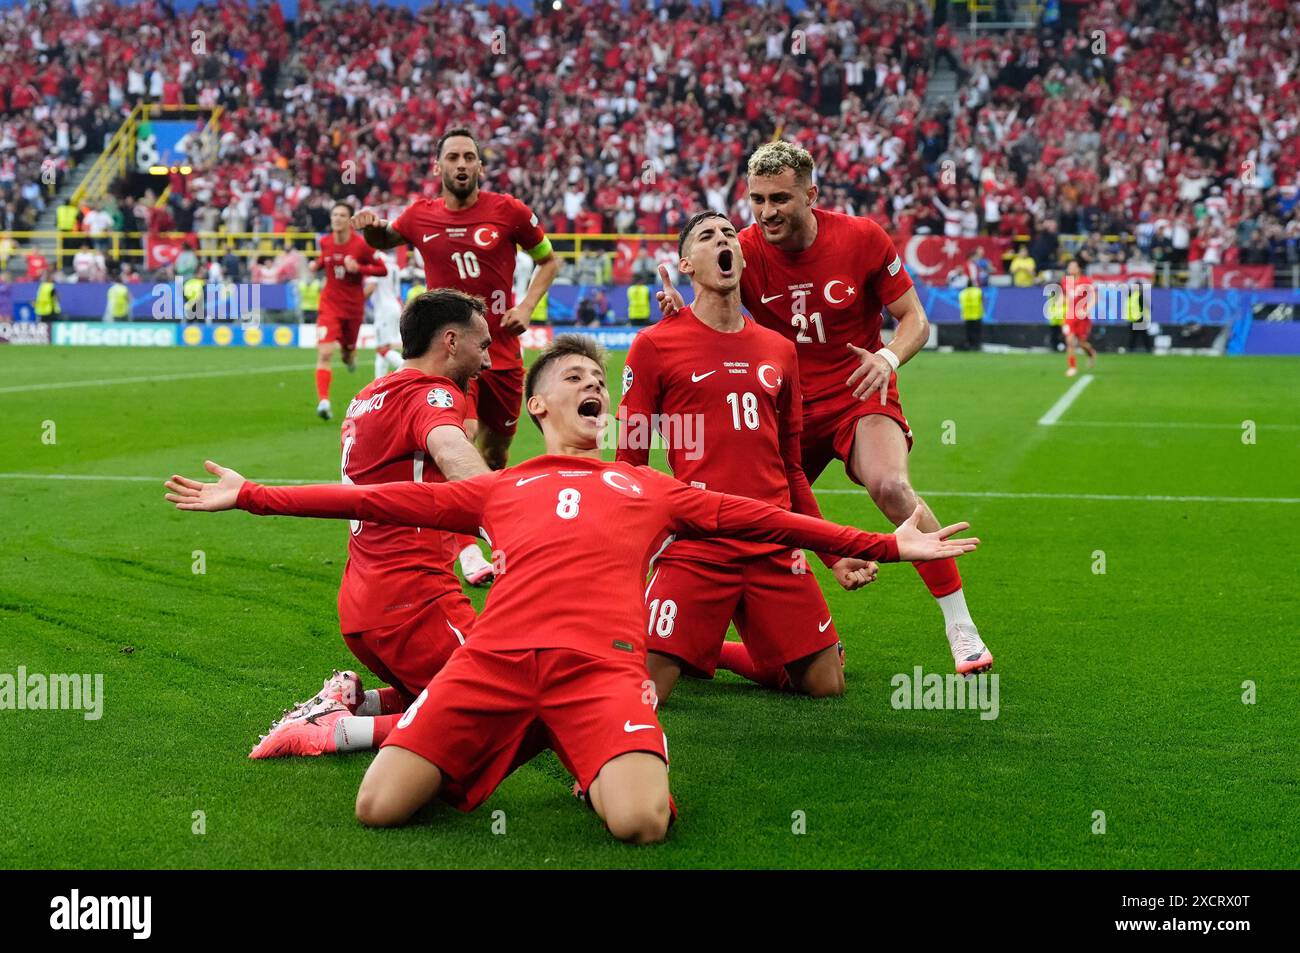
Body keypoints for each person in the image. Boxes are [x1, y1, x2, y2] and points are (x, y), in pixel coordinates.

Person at [165, 334, 979, 842]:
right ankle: (536, 736)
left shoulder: (647, 488)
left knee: (643, 821)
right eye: (581, 377)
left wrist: (886, 543)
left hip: (601, 670)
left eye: (604, 378)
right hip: (492, 663)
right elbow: (372, 497)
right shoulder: (498, 487)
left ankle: (582, 745)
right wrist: (253, 494)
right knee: (377, 807)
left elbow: (764, 519)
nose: (599, 387)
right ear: (543, 405)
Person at [659, 141, 993, 675]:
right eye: (758, 199)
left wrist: (887, 357)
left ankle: (960, 626)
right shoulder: (741, 248)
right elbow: (712, 300)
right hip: (782, 402)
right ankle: (679, 634)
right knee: (736, 520)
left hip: (858, 390)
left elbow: (915, 319)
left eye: (781, 199)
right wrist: (680, 310)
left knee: (890, 486)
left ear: (811, 195)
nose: (767, 212)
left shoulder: (861, 238)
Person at [620, 211, 876, 702]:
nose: (722, 241)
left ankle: (708, 649)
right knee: (643, 690)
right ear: (686, 265)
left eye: (728, 236)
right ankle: (683, 643)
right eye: (707, 236)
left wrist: (833, 556)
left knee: (826, 685)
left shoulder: (779, 349)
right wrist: (630, 555)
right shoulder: (654, 345)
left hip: (771, 539)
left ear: (740, 257)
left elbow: (792, 467)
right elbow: (629, 464)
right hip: (697, 542)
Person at [250, 289, 494, 759]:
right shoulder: (433, 393)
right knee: (497, 708)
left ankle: (354, 704)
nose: (487, 358)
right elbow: (449, 448)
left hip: (365, 605)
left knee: (440, 689)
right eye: (481, 345)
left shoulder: (367, 396)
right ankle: (333, 732)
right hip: (415, 604)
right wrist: (510, 509)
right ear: (449, 341)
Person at [353, 129, 561, 585]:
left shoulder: (509, 211)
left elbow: (549, 259)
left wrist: (527, 306)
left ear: (480, 167)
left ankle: (487, 520)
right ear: (438, 167)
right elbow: (381, 241)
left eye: (469, 157)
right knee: (456, 435)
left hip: (500, 350)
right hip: (446, 355)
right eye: (453, 157)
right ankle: (470, 549)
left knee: (496, 450)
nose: (461, 164)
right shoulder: (419, 216)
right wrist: (368, 225)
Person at [311, 201, 388, 420]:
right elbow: (324, 260)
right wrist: (315, 266)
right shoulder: (325, 242)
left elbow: (383, 269)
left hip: (353, 307)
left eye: (342, 215)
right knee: (325, 352)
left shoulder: (361, 246)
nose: (337, 218)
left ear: (350, 220)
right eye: (334, 214)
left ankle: (350, 357)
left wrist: (360, 268)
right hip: (329, 305)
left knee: (346, 355)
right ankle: (324, 402)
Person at [365, 249, 404, 380]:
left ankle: (409, 370)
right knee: (383, 348)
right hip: (394, 306)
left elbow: (371, 287)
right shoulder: (393, 264)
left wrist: (355, 301)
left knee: (382, 349)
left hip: (384, 309)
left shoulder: (377, 262)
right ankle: (378, 384)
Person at [1062, 259, 1097, 376]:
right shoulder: (1065, 281)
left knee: (1082, 343)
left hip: (1082, 317)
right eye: (1069, 266)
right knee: (1070, 341)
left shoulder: (1086, 281)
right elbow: (1066, 296)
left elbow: (1094, 297)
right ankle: (1072, 367)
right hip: (1070, 316)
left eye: (1073, 266)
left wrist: (1086, 309)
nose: (1071, 269)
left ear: (1078, 269)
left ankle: (1091, 353)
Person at [959, 277, 984, 350]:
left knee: (968, 332)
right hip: (977, 315)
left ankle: (969, 345)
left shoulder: (962, 293)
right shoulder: (978, 291)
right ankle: (977, 346)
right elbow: (982, 300)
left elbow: (961, 303)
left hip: (967, 315)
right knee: (977, 332)